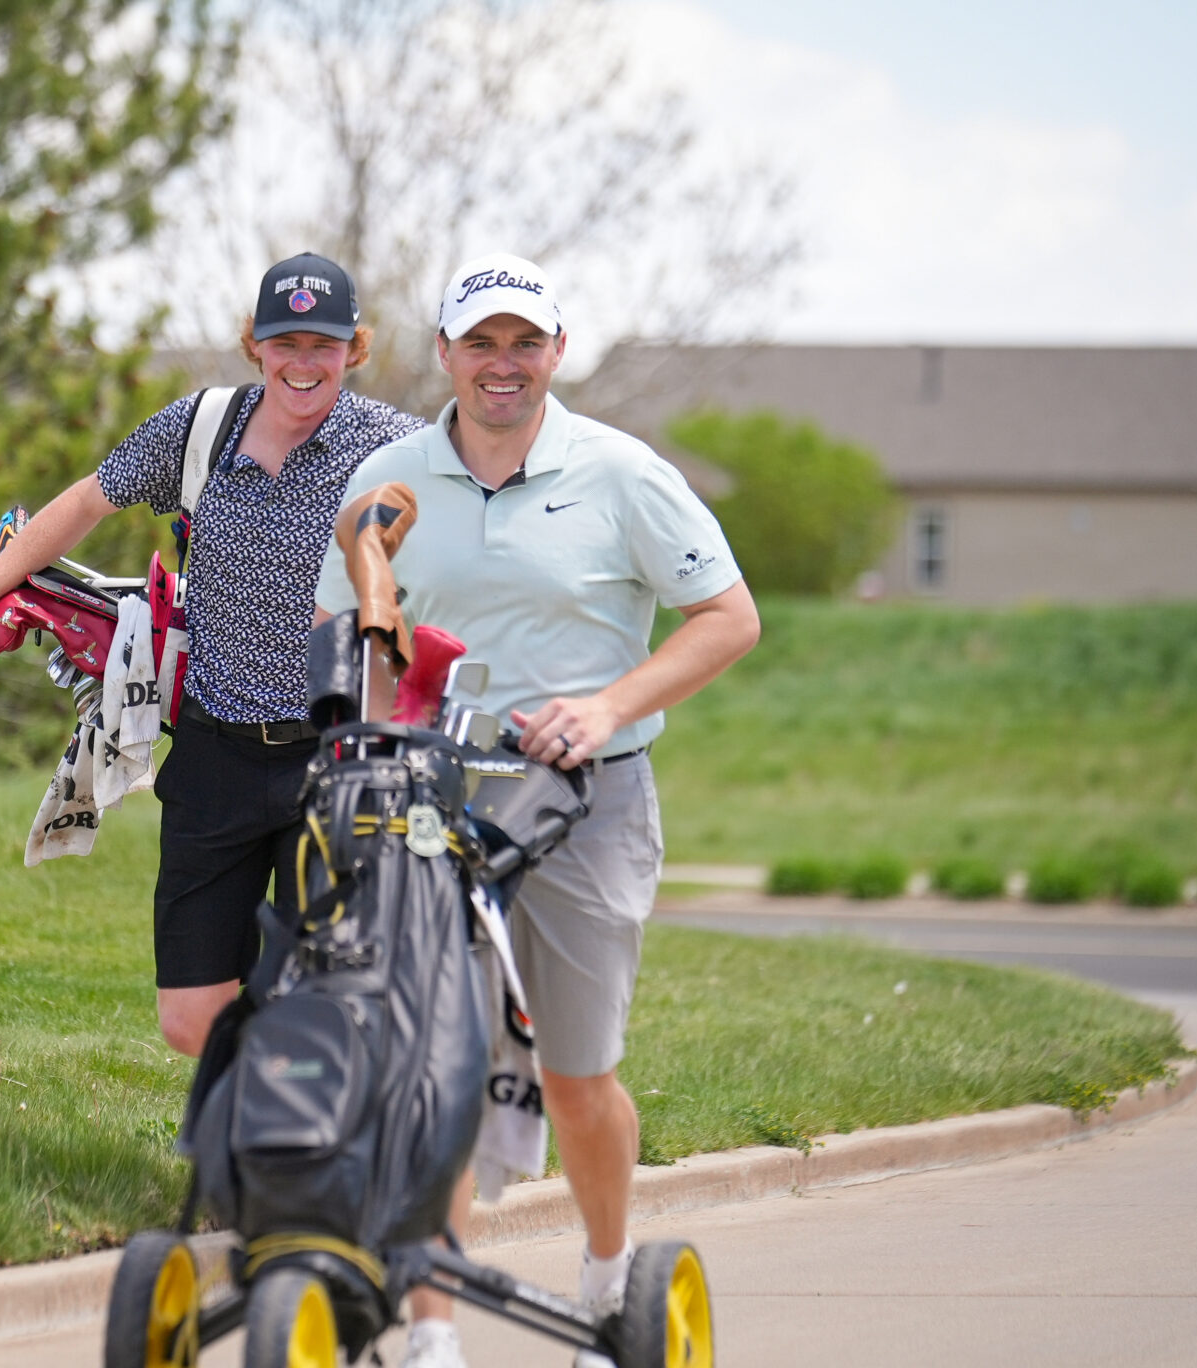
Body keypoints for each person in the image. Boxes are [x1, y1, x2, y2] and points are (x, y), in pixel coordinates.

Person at [314, 253, 760, 1368]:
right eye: (481, 343)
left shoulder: (621, 474)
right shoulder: (388, 478)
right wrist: (374, 734)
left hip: (585, 802)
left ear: (555, 352)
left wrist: (608, 704)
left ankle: (610, 1278)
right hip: (429, 798)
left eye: (524, 343)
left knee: (574, 1071)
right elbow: (352, 639)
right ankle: (427, 1334)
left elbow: (726, 618)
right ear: (446, 354)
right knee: (433, 1060)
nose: (502, 365)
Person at [0, 253, 424, 1058]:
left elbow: (473, 550)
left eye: (324, 346)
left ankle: (292, 1158)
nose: (303, 365)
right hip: (214, 754)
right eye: (285, 344)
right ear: (256, 345)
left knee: (330, 999)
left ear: (354, 349)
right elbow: (87, 499)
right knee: (190, 1019)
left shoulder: (395, 447)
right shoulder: (203, 427)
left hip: (338, 758)